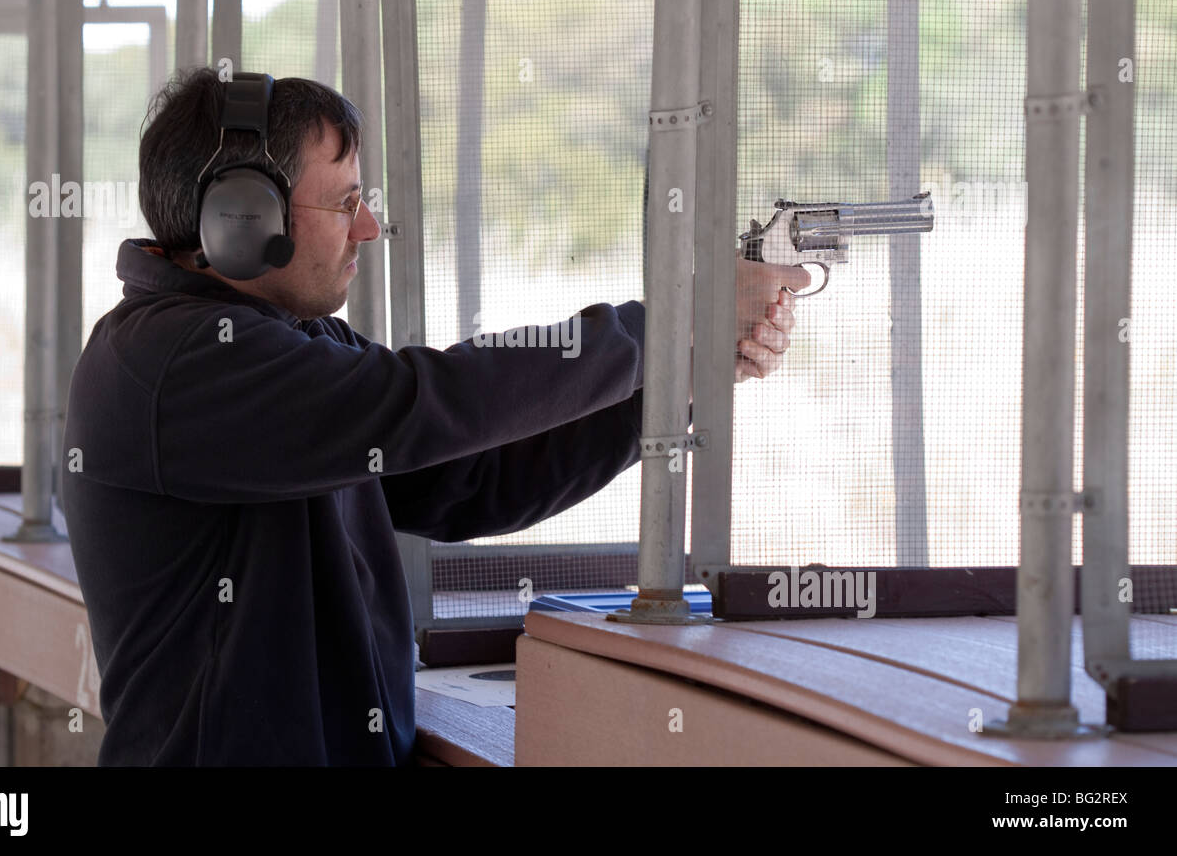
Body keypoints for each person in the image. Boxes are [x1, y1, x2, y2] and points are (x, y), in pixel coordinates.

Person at [59, 66, 809, 766]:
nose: (366, 229)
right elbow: (424, 403)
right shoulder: (175, 360)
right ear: (241, 218)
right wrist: (675, 321)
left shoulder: (284, 342)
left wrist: (670, 380)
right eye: (345, 201)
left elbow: (477, 477)